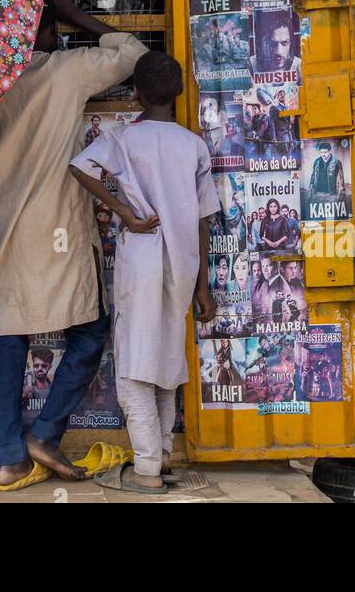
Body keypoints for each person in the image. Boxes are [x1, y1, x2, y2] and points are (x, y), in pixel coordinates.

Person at [0, 0, 147, 490]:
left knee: (9, 333)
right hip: (56, 224)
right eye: (56, 32)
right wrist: (79, 18)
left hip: (2, 219)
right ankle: (45, 434)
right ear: (49, 33)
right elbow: (134, 52)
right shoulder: (66, 70)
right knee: (91, 329)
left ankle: (10, 458)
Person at [69, 52, 219, 494]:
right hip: (182, 267)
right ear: (177, 95)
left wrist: (125, 212)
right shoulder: (193, 144)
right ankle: (165, 453)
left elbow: (79, 167)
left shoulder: (122, 139)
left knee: (134, 366)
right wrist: (203, 287)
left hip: (141, 260)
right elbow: (204, 219)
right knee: (167, 359)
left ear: (135, 92)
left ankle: (148, 468)